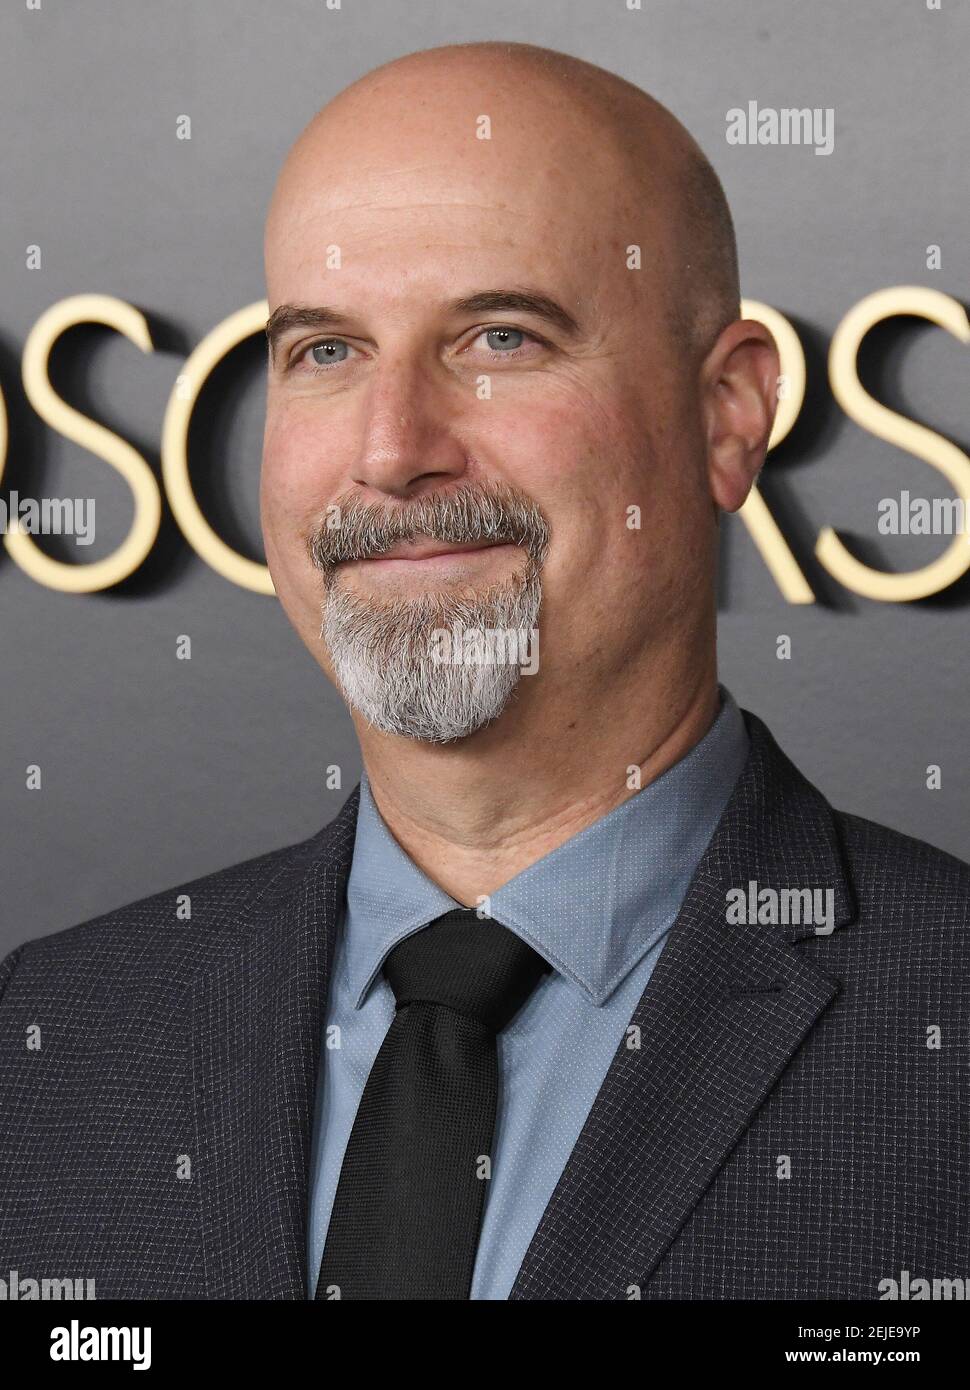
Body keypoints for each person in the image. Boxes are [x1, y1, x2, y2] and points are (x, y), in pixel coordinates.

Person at [0, 40, 966, 1302]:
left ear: (727, 412)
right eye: (326, 352)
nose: (393, 451)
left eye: (500, 337)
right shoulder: (51, 1038)